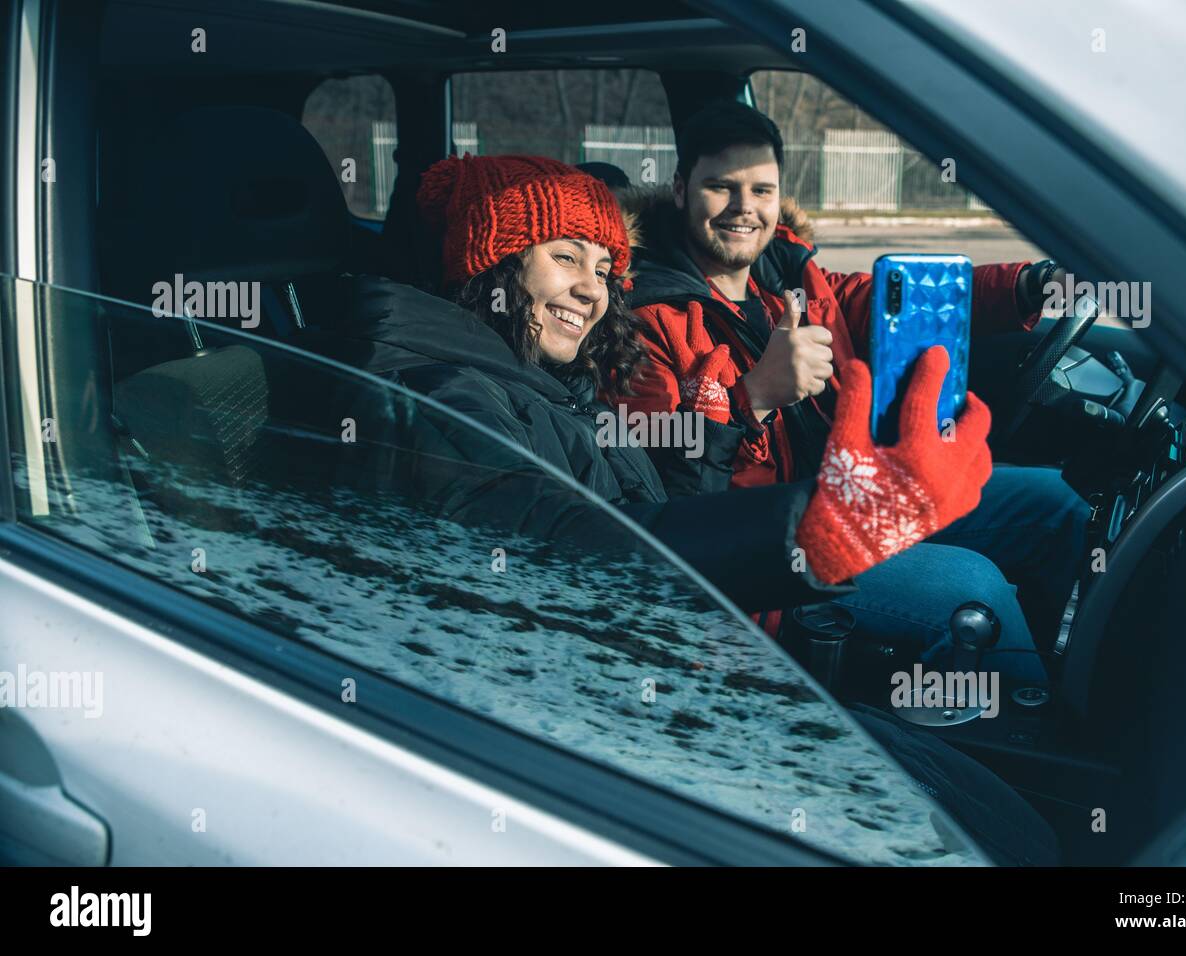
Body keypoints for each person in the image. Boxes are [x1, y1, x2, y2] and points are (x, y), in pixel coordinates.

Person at [297, 152, 1058, 865]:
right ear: (491, 262)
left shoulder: (546, 377)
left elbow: (642, 506)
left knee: (990, 815)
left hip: (660, 674)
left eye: (604, 268)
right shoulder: (431, 396)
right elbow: (562, 555)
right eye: (565, 257)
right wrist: (823, 531)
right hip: (577, 733)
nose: (593, 291)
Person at [613, 100, 1089, 678]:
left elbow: (886, 300)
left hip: (854, 484)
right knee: (975, 589)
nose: (745, 209)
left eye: (762, 191)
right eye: (722, 187)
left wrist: (1035, 285)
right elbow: (670, 502)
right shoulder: (643, 319)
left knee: (1055, 504)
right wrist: (753, 399)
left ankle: (1064, 676)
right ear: (682, 187)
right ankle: (1019, 738)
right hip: (779, 550)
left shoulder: (788, 275)